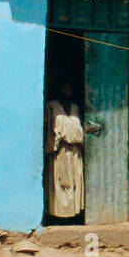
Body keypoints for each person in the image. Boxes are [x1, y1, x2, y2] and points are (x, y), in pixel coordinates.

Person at [44, 83, 86, 218]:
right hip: (60, 150)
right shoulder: (51, 106)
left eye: (69, 88)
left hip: (74, 150)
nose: (67, 90)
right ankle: (58, 215)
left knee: (74, 181)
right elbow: (49, 126)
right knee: (60, 182)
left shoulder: (75, 108)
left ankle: (74, 215)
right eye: (64, 88)